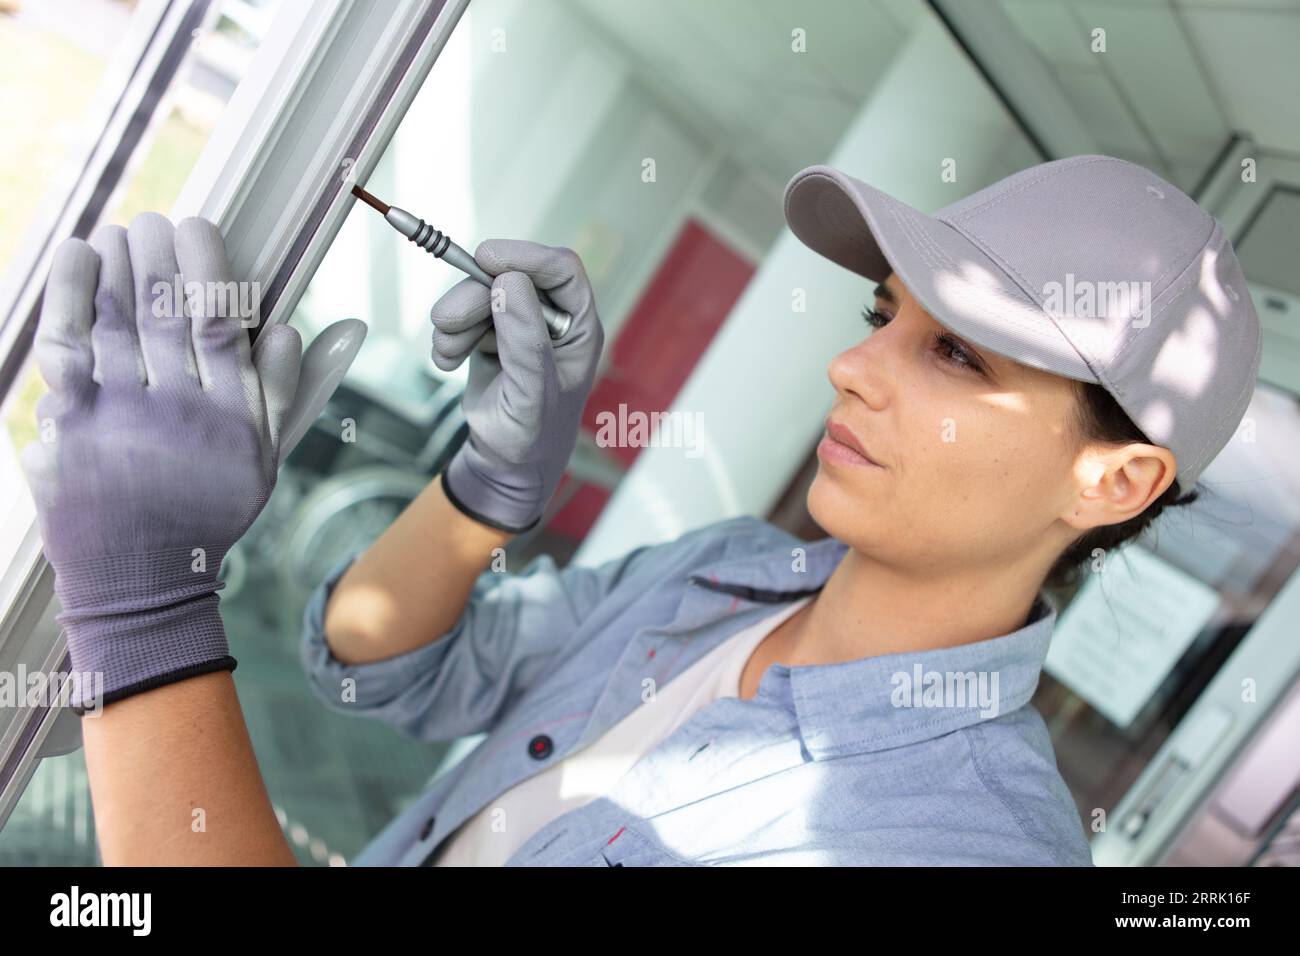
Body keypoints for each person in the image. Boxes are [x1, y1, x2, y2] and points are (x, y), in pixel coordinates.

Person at [24, 154, 1260, 866]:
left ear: (1115, 479)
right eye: (886, 319)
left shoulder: (949, 846)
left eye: (959, 358)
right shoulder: (725, 573)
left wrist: (140, 602)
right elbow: (375, 668)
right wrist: (478, 497)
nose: (854, 366)